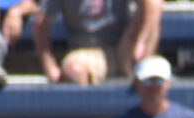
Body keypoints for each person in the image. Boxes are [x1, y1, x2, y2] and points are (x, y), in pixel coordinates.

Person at [32, 0, 160, 88]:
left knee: (152, 7)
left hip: (124, 48)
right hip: (87, 53)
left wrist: (141, 41)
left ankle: (145, 72)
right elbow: (41, 23)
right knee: (74, 71)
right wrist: (50, 66)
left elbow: (153, 4)